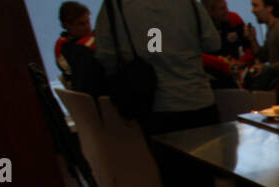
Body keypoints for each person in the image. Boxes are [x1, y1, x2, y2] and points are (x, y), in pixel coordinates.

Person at [94, 0, 222, 134]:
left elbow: (105, 55)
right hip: (199, 100)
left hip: (153, 105)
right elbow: (213, 43)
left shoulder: (115, 5)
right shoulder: (190, 3)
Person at [56, 2, 107, 94]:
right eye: (81, 24)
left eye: (88, 21)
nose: (88, 27)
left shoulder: (64, 47)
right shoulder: (75, 50)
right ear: (66, 26)